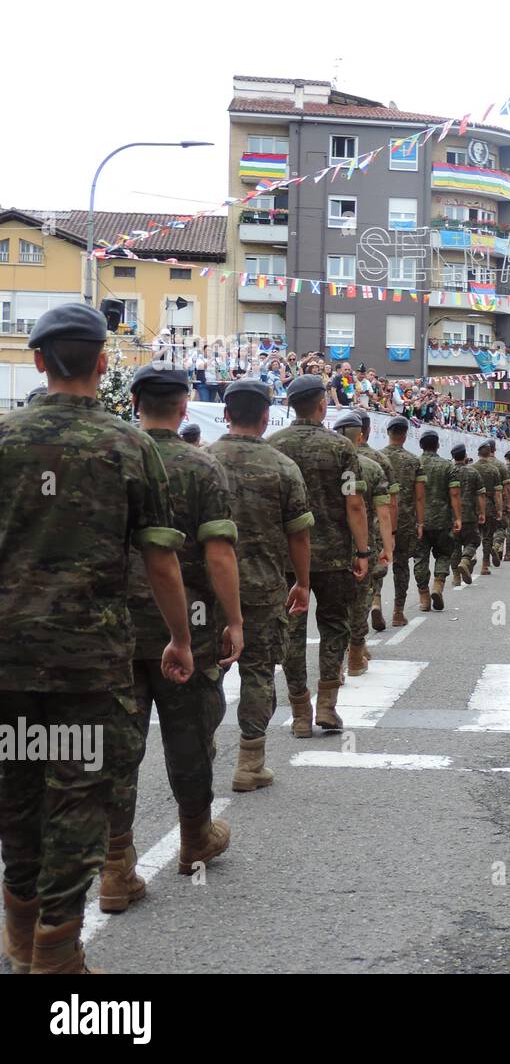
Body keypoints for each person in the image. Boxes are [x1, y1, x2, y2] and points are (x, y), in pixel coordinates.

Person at [0, 305, 190, 974]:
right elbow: (162, 559)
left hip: (9, 662)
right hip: (88, 661)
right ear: (105, 364)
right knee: (80, 793)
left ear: (38, 361)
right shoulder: (128, 445)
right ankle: (55, 949)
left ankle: (20, 934)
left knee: (17, 791)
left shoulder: (4, 439)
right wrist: (178, 639)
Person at [106, 363, 243, 912]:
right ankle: (194, 838)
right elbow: (219, 553)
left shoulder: (111, 460)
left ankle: (116, 866)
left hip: (112, 625)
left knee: (117, 744)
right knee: (189, 734)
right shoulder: (201, 466)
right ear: (185, 407)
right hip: (188, 622)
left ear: (134, 400)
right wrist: (234, 620)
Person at [209, 378, 313, 793]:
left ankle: (201, 749)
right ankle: (249, 764)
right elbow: (299, 535)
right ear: (267, 417)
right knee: (257, 672)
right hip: (264, 587)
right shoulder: (283, 467)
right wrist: (303, 583)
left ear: (227, 414)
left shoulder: (203, 460)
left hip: (209, 589)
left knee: (207, 672)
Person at [269, 374, 369, 737]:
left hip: (286, 558)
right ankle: (328, 704)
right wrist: (363, 550)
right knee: (334, 626)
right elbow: (354, 503)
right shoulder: (341, 448)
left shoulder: (274, 445)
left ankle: (299, 711)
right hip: (334, 555)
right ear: (323, 405)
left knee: (291, 633)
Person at [336, 412, 393, 678]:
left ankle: (332, 668)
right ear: (362, 435)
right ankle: (356, 656)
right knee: (361, 599)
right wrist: (388, 543)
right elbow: (384, 510)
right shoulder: (373, 465)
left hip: (329, 545)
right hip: (364, 542)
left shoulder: (327, 465)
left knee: (332, 607)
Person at [353, 410, 399, 632]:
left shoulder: (338, 456)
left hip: (346, 529)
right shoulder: (380, 460)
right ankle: (376, 600)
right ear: (369, 430)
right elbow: (391, 502)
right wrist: (391, 534)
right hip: (373, 527)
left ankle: (352, 639)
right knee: (375, 569)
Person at [381, 416, 425, 626]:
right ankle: (398, 612)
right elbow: (419, 496)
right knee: (401, 566)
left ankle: (374, 602)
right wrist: (420, 523)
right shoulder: (413, 461)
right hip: (406, 521)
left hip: (380, 521)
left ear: (388, 433)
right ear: (405, 435)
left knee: (377, 564)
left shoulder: (377, 458)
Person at [414, 429, 463, 610]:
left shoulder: (414, 464)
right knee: (443, 554)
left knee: (420, 558)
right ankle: (438, 585)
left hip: (419, 521)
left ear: (421, 445)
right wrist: (458, 517)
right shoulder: (448, 466)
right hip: (443, 520)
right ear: (438, 445)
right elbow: (455, 494)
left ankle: (424, 597)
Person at [451, 444, 487, 585]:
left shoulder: (449, 472)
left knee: (454, 546)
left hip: (452, 515)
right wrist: (482, 512)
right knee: (473, 541)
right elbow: (480, 495)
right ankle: (466, 560)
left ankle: (456, 577)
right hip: (470, 515)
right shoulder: (473, 473)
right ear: (465, 456)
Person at [474, 442, 504, 575]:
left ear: (478, 453)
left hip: (472, 506)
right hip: (489, 506)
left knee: (472, 536)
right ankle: (485, 565)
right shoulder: (494, 470)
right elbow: (498, 493)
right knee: (487, 537)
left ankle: (469, 558)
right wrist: (499, 509)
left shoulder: (471, 468)